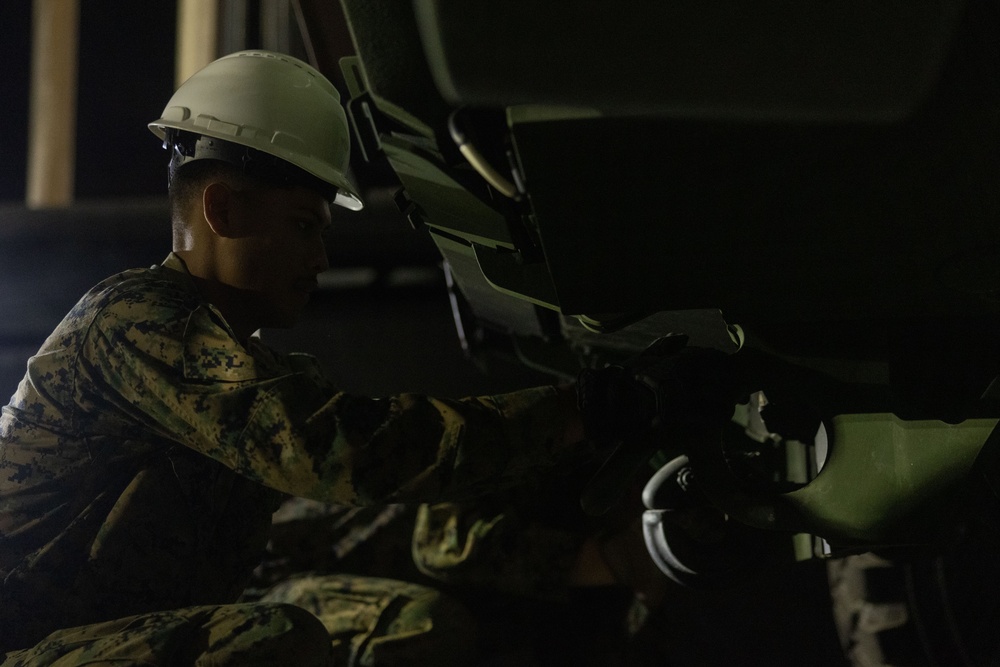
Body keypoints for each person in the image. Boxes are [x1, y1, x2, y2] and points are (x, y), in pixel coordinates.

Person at [0, 50, 638, 666]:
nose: (321, 261)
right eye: (306, 226)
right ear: (222, 209)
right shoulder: (132, 323)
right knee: (272, 639)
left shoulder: (232, 366)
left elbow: (373, 492)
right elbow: (342, 452)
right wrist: (573, 413)